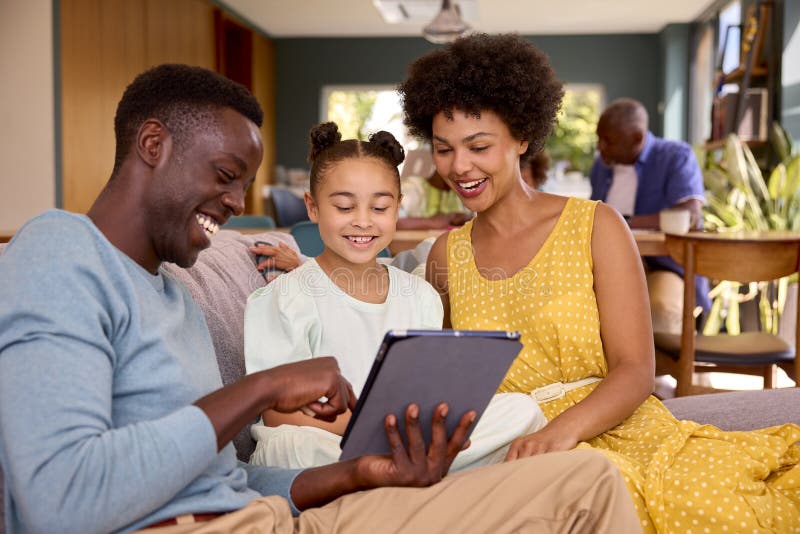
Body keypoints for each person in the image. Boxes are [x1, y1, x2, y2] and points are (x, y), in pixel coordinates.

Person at [0, 64, 641, 533]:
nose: (235, 205)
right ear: (152, 145)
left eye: (243, 186)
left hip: (278, 514)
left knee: (588, 478)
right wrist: (262, 389)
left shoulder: (173, 294)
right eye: (226, 178)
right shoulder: (60, 250)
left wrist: (359, 475)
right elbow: (57, 501)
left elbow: (230, 478)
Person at [399, 33, 800, 533]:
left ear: (522, 137)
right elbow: (442, 375)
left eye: (479, 146)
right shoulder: (446, 255)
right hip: (513, 448)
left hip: (616, 431)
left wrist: (559, 433)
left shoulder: (596, 225)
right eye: (443, 149)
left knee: (710, 510)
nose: (460, 166)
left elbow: (635, 370)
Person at [244, 121, 543, 471]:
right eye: (344, 207)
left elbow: (429, 390)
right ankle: (406, 469)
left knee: (524, 411)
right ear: (312, 207)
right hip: (325, 443)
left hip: (407, 438)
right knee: (293, 449)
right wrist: (379, 434)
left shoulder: (419, 295)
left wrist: (416, 429)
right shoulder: (285, 297)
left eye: (380, 208)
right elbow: (279, 414)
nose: (362, 221)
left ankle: (407, 469)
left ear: (398, 208)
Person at [589, 98, 710, 334]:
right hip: (609, 266)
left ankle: (655, 370)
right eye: (599, 139)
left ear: (637, 138)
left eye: (609, 141)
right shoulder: (601, 166)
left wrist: (622, 222)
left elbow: (690, 214)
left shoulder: (675, 156)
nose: (600, 147)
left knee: (660, 313)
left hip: (664, 265)